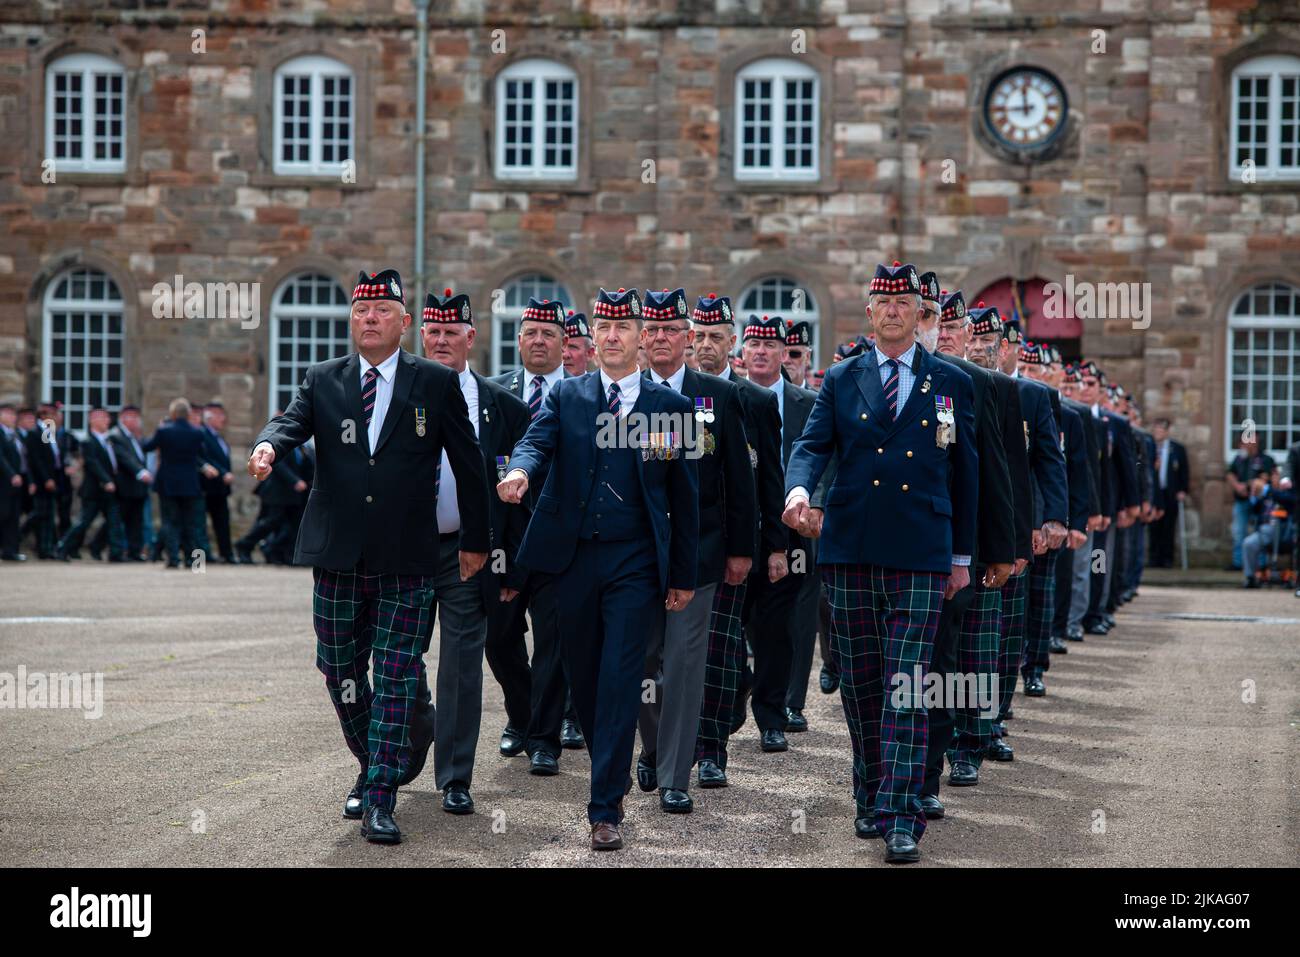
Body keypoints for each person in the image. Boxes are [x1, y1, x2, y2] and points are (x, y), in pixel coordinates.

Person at [248, 267, 489, 845]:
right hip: (338, 554)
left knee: (398, 671)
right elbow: (290, 422)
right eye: (361, 312)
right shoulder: (324, 379)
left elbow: (470, 461)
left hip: (407, 556)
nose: (370, 319)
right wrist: (266, 445)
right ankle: (379, 753)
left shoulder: (433, 382)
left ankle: (380, 792)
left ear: (404, 323)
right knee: (338, 669)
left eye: (382, 311)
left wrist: (478, 541)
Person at [783, 261, 977, 864]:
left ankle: (900, 812)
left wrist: (963, 556)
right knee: (865, 682)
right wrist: (799, 492)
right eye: (882, 302)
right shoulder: (842, 379)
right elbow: (813, 446)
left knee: (908, 681)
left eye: (904, 303)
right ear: (869, 311)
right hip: (851, 548)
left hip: (922, 549)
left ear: (921, 313)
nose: (893, 311)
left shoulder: (950, 382)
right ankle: (870, 790)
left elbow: (966, 473)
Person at [497, 286, 700, 851]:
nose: (612, 337)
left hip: (635, 560)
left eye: (623, 328)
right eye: (604, 327)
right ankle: (606, 751)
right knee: (583, 677)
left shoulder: (672, 410)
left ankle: (604, 805)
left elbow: (685, 499)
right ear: (593, 337)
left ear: (642, 339)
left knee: (619, 677)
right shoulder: (568, 397)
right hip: (575, 559)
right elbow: (536, 443)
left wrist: (682, 574)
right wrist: (519, 472)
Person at [637, 288, 755, 813]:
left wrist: (742, 549)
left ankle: (674, 774)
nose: (662, 339)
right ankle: (653, 746)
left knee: (685, 662)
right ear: (643, 339)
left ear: (689, 338)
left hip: (699, 549)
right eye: (653, 330)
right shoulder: (625, 394)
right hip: (635, 552)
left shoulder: (719, 396)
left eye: (672, 330)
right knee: (640, 659)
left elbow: (739, 480)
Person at [413, 287, 531, 814]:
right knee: (398, 662)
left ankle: (455, 777)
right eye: (433, 333)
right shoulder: (400, 392)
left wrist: (508, 558)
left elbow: (517, 494)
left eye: (450, 333)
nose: (441, 341)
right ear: (422, 337)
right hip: (406, 552)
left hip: (471, 553)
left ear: (470, 339)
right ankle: (393, 758)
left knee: (461, 664)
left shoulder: (504, 406)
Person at [920, 284, 1016, 806]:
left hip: (965, 545)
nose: (947, 333)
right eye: (938, 321)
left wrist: (1005, 546)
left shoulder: (978, 384)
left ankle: (960, 747)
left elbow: (999, 472)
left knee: (955, 656)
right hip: (902, 546)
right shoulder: (875, 375)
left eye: (953, 325)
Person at [688, 293, 787, 788]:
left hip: (732, 544)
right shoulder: (675, 394)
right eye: (700, 336)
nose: (707, 346)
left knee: (721, 648)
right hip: (681, 543)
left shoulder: (755, 400)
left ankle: (712, 749)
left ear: (734, 344)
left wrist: (774, 546)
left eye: (716, 338)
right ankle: (671, 742)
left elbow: (770, 477)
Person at [492, 297, 585, 761]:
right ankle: (521, 714)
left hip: (558, 536)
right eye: (530, 332)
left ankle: (544, 739)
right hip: (505, 537)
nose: (539, 340)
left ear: (565, 343)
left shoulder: (583, 394)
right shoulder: (495, 392)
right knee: (499, 636)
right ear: (519, 339)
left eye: (549, 334)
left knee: (554, 639)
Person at [142, 398, 210, 569]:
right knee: (191, 523)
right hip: (190, 482)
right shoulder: (198, 432)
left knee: (171, 522)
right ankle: (194, 561)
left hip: (168, 482)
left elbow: (147, 446)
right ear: (188, 414)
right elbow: (201, 456)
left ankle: (173, 559)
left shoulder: (164, 431)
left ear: (172, 414)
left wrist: (158, 430)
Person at [55, 407, 126, 562]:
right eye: (101, 418)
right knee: (83, 523)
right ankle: (63, 547)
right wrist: (106, 480)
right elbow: (93, 464)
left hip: (110, 489)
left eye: (107, 417)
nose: (105, 421)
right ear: (92, 421)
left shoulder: (110, 441)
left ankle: (115, 553)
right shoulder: (88, 441)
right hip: (94, 490)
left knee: (114, 522)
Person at [109, 405, 153, 561]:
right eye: (131, 417)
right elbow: (125, 458)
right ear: (123, 418)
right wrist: (140, 472)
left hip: (138, 487)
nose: (135, 421)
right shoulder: (116, 435)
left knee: (136, 521)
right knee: (120, 520)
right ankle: (115, 550)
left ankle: (135, 551)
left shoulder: (135, 437)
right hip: (125, 486)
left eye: (136, 417)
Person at [1240, 470, 1294, 588]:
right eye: (1274, 476)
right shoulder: (1267, 495)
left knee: (1267, 530)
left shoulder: (1287, 493)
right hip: (1263, 532)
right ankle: (1250, 577)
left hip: (1282, 533)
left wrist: (1265, 488)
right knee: (1248, 543)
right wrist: (1253, 494)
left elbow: (1287, 499)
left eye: (1279, 477)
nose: (1276, 479)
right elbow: (1254, 509)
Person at [200, 402, 238, 564]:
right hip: (206, 486)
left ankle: (227, 554)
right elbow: (206, 458)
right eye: (219, 415)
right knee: (199, 523)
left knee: (222, 521)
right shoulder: (202, 434)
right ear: (208, 417)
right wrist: (222, 473)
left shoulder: (219, 437)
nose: (223, 419)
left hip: (220, 488)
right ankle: (201, 556)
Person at [0, 404, 27, 561]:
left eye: (13, 414)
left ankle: (10, 551)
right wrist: (11, 474)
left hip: (16, 482)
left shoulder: (15, 434)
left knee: (13, 516)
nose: (12, 417)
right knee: (3, 514)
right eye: (8, 414)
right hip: (3, 481)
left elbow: (23, 458)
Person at [562, 310, 595, 377]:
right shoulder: (542, 386)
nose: (565, 355)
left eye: (573, 347)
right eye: (561, 346)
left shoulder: (598, 386)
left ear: (589, 353)